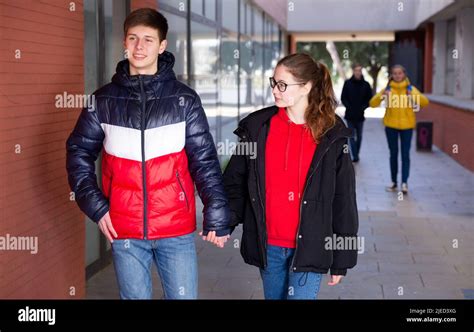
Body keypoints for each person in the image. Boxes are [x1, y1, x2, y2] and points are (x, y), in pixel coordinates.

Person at [66, 8, 230, 299]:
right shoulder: (102, 101)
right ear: (124, 43)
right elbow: (78, 152)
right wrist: (97, 206)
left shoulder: (184, 100)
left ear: (162, 46)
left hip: (175, 228)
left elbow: (203, 160)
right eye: (133, 38)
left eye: (148, 39)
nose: (139, 47)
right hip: (124, 228)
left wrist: (216, 212)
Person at [223, 53, 359, 300]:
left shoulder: (333, 135)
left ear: (306, 87)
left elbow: (344, 200)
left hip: (311, 246)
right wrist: (222, 222)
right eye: (273, 82)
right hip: (269, 245)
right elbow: (235, 182)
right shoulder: (255, 128)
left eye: (282, 85)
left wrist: (342, 258)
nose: (275, 90)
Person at [369, 65, 429, 194]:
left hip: (407, 127)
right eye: (395, 73)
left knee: (405, 155)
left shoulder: (410, 89)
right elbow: (372, 104)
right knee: (393, 155)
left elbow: (425, 102)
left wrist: (411, 94)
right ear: (391, 75)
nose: (397, 75)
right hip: (390, 126)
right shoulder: (388, 89)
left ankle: (404, 183)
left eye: (400, 73)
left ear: (404, 75)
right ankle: (394, 182)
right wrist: (382, 95)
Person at [340, 63, 373, 162]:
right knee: (351, 136)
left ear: (361, 71)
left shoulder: (366, 85)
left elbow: (369, 99)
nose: (358, 72)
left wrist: (363, 108)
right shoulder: (347, 83)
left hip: (360, 116)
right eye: (356, 70)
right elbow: (343, 97)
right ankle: (355, 155)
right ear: (353, 71)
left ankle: (356, 153)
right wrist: (348, 106)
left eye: (359, 70)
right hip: (349, 115)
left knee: (359, 136)